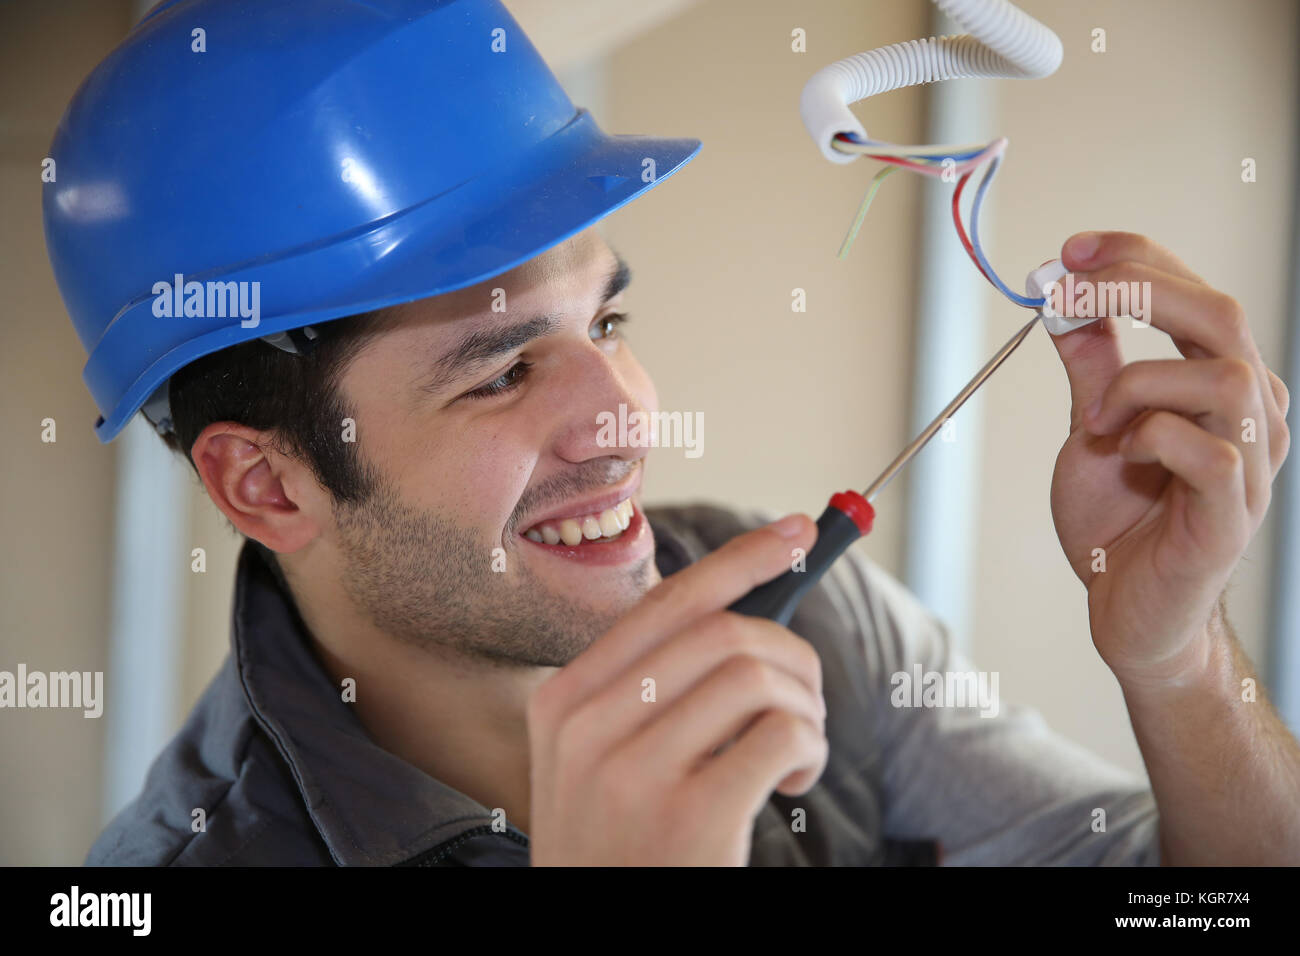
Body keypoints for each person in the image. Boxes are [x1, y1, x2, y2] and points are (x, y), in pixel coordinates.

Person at [49, 0, 1298, 866]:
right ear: (266, 485)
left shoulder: (805, 612)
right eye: (499, 371)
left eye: (610, 315)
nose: (624, 413)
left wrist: (1178, 658)